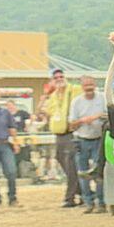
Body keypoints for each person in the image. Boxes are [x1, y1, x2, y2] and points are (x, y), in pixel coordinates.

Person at [40, 69, 82, 207]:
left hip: (71, 133)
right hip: (59, 135)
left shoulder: (74, 90)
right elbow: (44, 112)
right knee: (62, 161)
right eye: (56, 77)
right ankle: (82, 191)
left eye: (61, 76)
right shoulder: (53, 96)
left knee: (71, 164)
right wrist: (45, 96)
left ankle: (70, 197)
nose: (59, 79)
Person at [68, 76, 107, 213]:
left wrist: (97, 117)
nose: (89, 88)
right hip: (82, 140)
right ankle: (88, 202)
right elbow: (71, 124)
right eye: (86, 85)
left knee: (99, 171)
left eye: (91, 85)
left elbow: (108, 115)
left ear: (95, 85)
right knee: (82, 172)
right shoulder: (76, 102)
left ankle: (101, 202)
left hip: (99, 139)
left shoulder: (102, 98)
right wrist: (83, 120)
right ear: (82, 87)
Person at [0, 89, 20, 207]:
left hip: (5, 145)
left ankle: (12, 198)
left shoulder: (5, 113)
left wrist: (15, 143)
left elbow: (12, 128)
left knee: (11, 171)